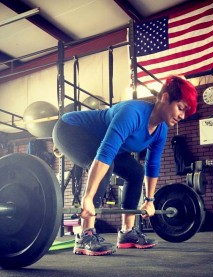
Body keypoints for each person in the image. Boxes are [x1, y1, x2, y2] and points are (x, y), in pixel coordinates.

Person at [52, 75, 198, 256]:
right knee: (107, 166)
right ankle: (85, 235)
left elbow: (152, 164)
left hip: (102, 143)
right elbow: (105, 154)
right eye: (181, 108)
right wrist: (88, 197)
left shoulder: (161, 129)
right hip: (70, 129)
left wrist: (149, 200)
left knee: (136, 171)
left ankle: (127, 232)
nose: (182, 116)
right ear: (165, 98)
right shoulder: (133, 113)